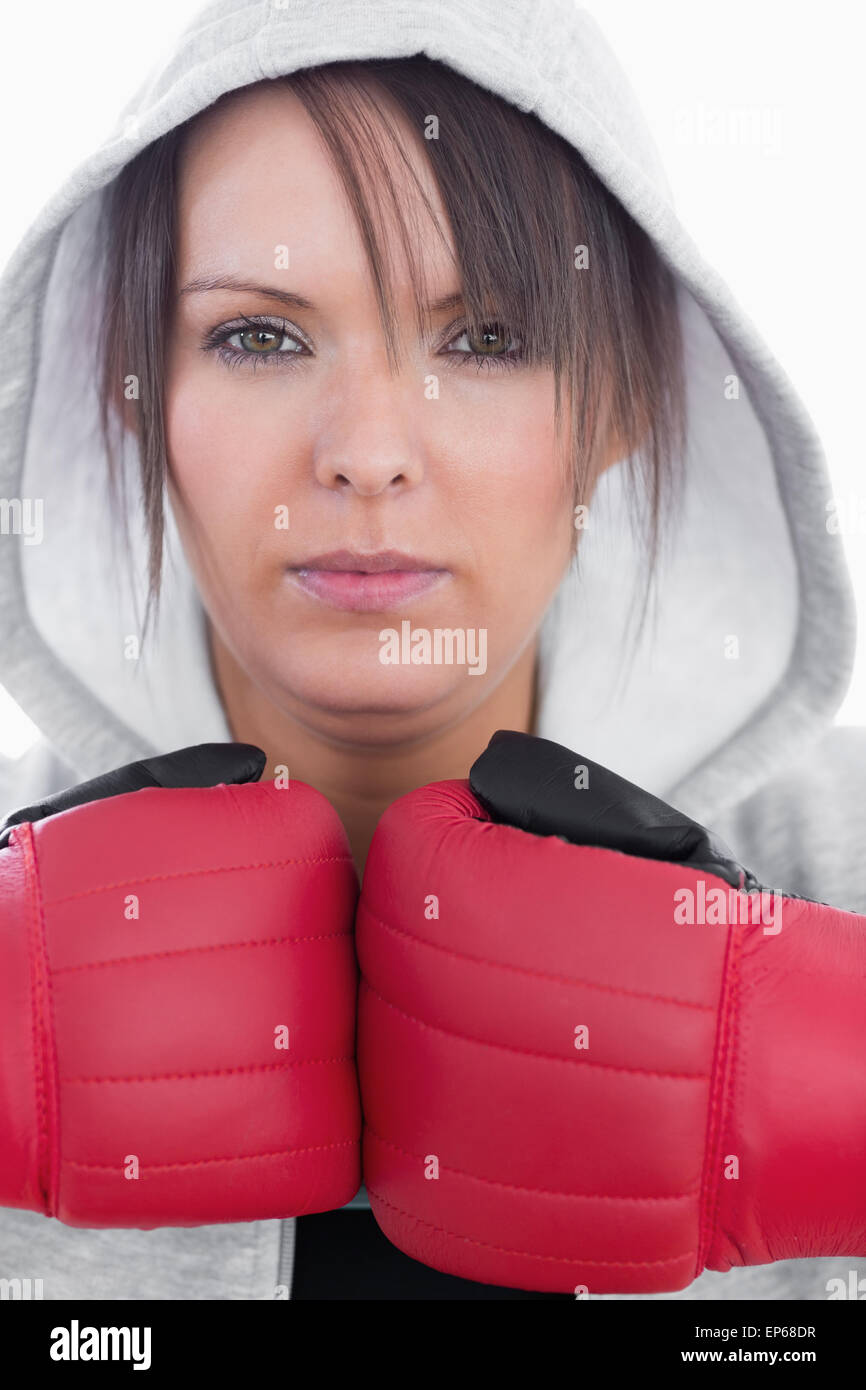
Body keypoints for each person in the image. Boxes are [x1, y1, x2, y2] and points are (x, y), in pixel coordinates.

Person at [0, 0, 862, 1301]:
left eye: (489, 338)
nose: (367, 449)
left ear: (627, 403)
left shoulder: (834, 867)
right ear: (131, 399)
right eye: (257, 335)